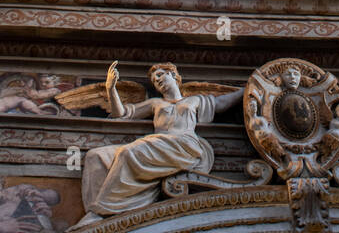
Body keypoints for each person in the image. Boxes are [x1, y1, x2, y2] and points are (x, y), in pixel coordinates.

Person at [75, 62, 242, 223]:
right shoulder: (156, 103)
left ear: (173, 75)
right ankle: (95, 216)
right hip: (157, 143)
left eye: (161, 75)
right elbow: (123, 113)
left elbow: (221, 103)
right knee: (95, 155)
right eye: (155, 80)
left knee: (128, 153)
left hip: (183, 145)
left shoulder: (194, 100)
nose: (158, 81)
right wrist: (111, 89)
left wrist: (246, 89)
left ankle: (102, 210)